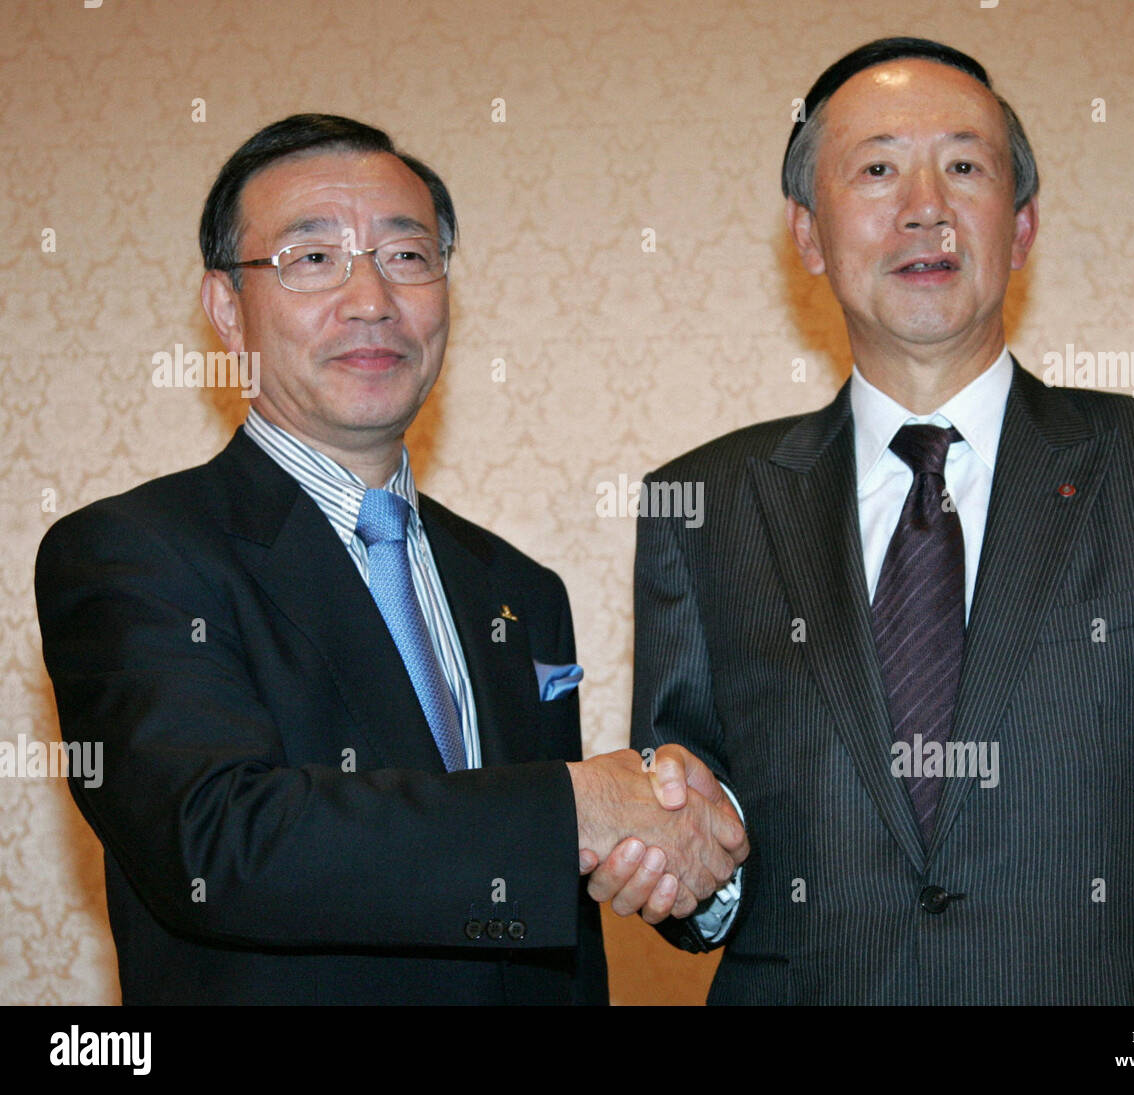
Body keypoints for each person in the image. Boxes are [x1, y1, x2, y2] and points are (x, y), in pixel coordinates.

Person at [597, 38, 1134, 1003]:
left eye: (964, 166)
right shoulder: (704, 506)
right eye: (878, 168)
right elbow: (693, 824)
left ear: (1022, 225)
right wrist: (689, 883)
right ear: (807, 234)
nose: (924, 205)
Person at [34, 114, 746, 1005]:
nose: (371, 299)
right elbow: (220, 841)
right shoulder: (130, 554)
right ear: (226, 309)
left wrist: (662, 841)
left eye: (407, 257)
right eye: (313, 258)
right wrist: (575, 807)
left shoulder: (520, 590)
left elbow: (544, 907)